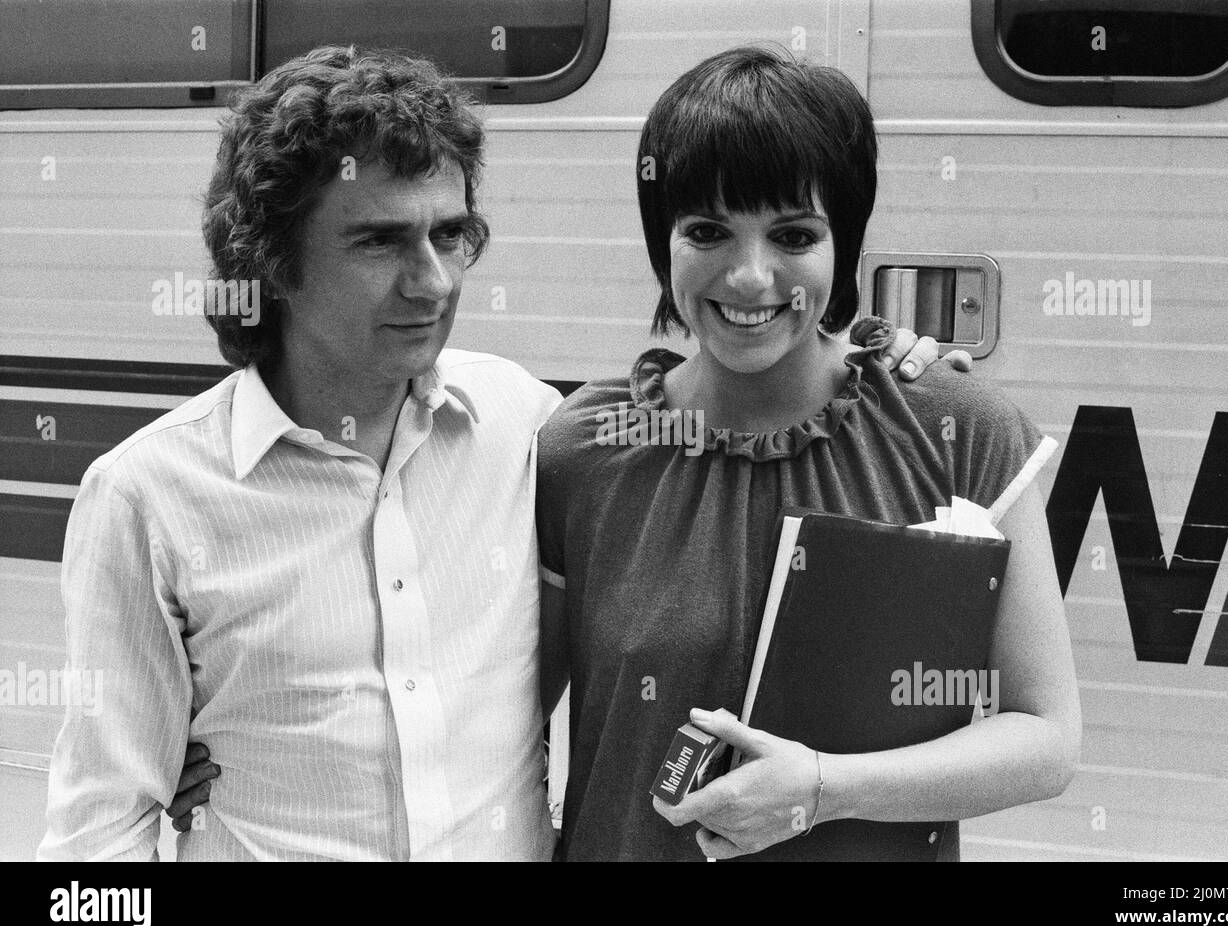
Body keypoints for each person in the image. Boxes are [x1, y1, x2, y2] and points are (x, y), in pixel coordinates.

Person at [40, 45, 948, 861]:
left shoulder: (523, 424)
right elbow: (98, 830)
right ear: (270, 259)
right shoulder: (149, 497)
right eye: (380, 240)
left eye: (450, 234)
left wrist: (871, 358)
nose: (433, 282)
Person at [534, 45, 1081, 861]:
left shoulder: (955, 428)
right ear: (666, 244)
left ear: (844, 243)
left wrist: (825, 786)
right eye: (708, 231)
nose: (751, 277)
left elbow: (1045, 736)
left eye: (793, 234)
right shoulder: (585, 447)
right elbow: (506, 721)